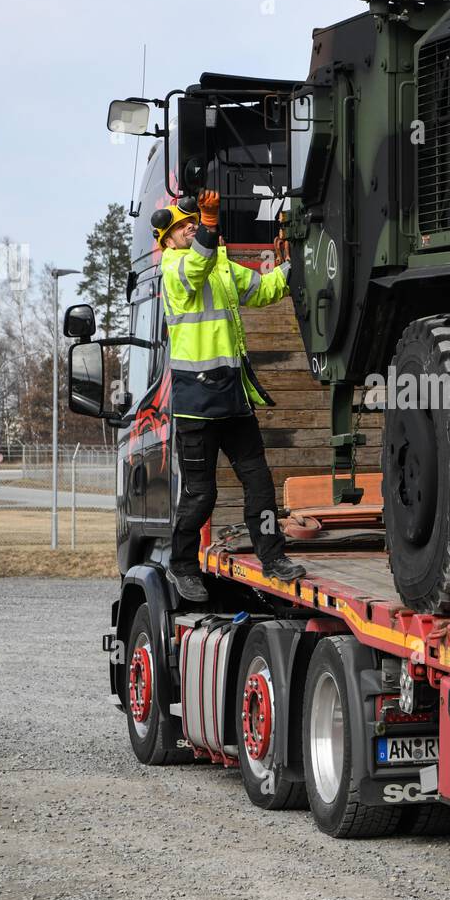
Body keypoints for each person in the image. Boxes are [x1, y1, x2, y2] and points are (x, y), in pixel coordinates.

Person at [152, 189, 305, 602]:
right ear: (166, 240)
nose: (189, 231)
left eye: (192, 225)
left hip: (233, 399)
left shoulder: (218, 265)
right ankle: (183, 565)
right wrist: (210, 224)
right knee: (202, 494)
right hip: (197, 406)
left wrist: (298, 265)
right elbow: (197, 263)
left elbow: (263, 289)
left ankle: (273, 558)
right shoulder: (175, 270)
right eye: (182, 228)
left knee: (260, 484)